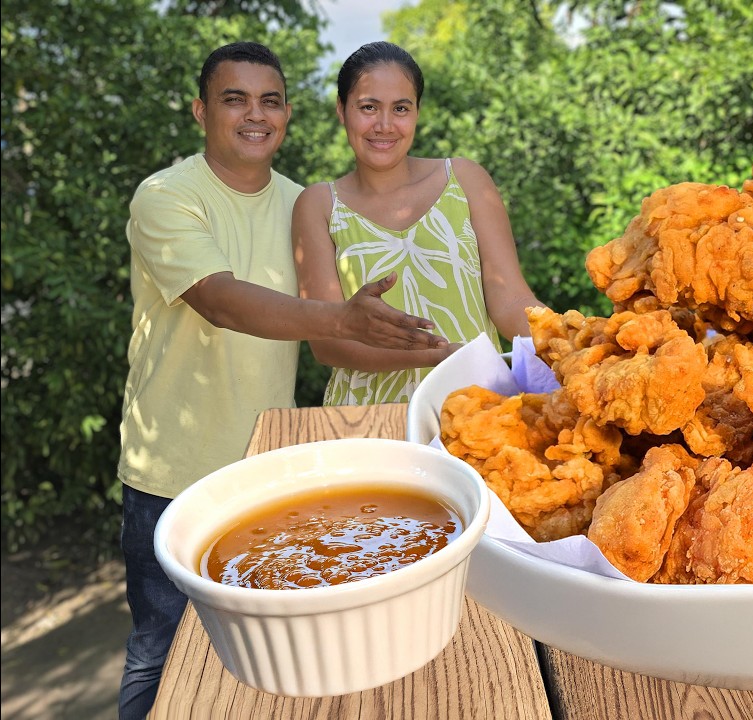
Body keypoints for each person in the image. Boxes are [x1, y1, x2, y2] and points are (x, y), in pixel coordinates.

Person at [116, 41, 448, 720]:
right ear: (199, 110)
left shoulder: (306, 206)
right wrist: (339, 318)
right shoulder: (165, 196)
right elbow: (222, 300)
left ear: (290, 114)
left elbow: (340, 330)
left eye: (269, 100)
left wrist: (433, 352)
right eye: (234, 98)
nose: (254, 114)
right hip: (170, 474)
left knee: (254, 674)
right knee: (161, 655)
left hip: (266, 472)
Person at [292, 41, 546, 406]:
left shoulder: (465, 179)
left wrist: (570, 341)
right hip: (366, 419)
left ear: (417, 112)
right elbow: (328, 343)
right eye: (368, 107)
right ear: (341, 110)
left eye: (400, 108)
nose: (384, 125)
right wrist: (432, 356)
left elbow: (511, 299)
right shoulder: (318, 204)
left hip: (476, 404)